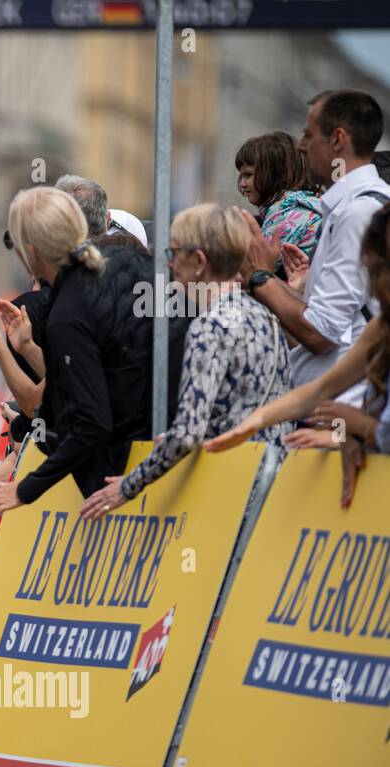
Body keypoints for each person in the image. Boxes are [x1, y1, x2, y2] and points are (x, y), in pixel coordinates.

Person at [80, 204, 293, 518]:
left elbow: (187, 434)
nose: (168, 261)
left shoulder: (209, 327)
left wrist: (128, 485)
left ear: (200, 261)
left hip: (231, 492)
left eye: (175, 251)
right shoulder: (263, 314)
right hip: (273, 481)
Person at [0, 186, 153, 516]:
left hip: (131, 473)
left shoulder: (66, 313)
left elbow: (91, 423)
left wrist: (26, 489)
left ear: (31, 253)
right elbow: (57, 396)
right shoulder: (125, 260)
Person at [207, 201, 390, 508]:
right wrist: (251, 423)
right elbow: (321, 389)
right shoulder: (381, 326)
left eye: (373, 266)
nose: (368, 278)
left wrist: (355, 428)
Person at [241, 90, 390, 408]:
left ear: (338, 140)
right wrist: (293, 291)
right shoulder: (355, 207)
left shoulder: (357, 213)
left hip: (342, 416)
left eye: (309, 135)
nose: (300, 146)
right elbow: (340, 323)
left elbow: (321, 335)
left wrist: (260, 277)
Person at [235, 131, 323, 261]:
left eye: (248, 175)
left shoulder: (286, 213)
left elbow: (260, 266)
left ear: (277, 174)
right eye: (241, 176)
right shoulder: (305, 204)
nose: (242, 184)